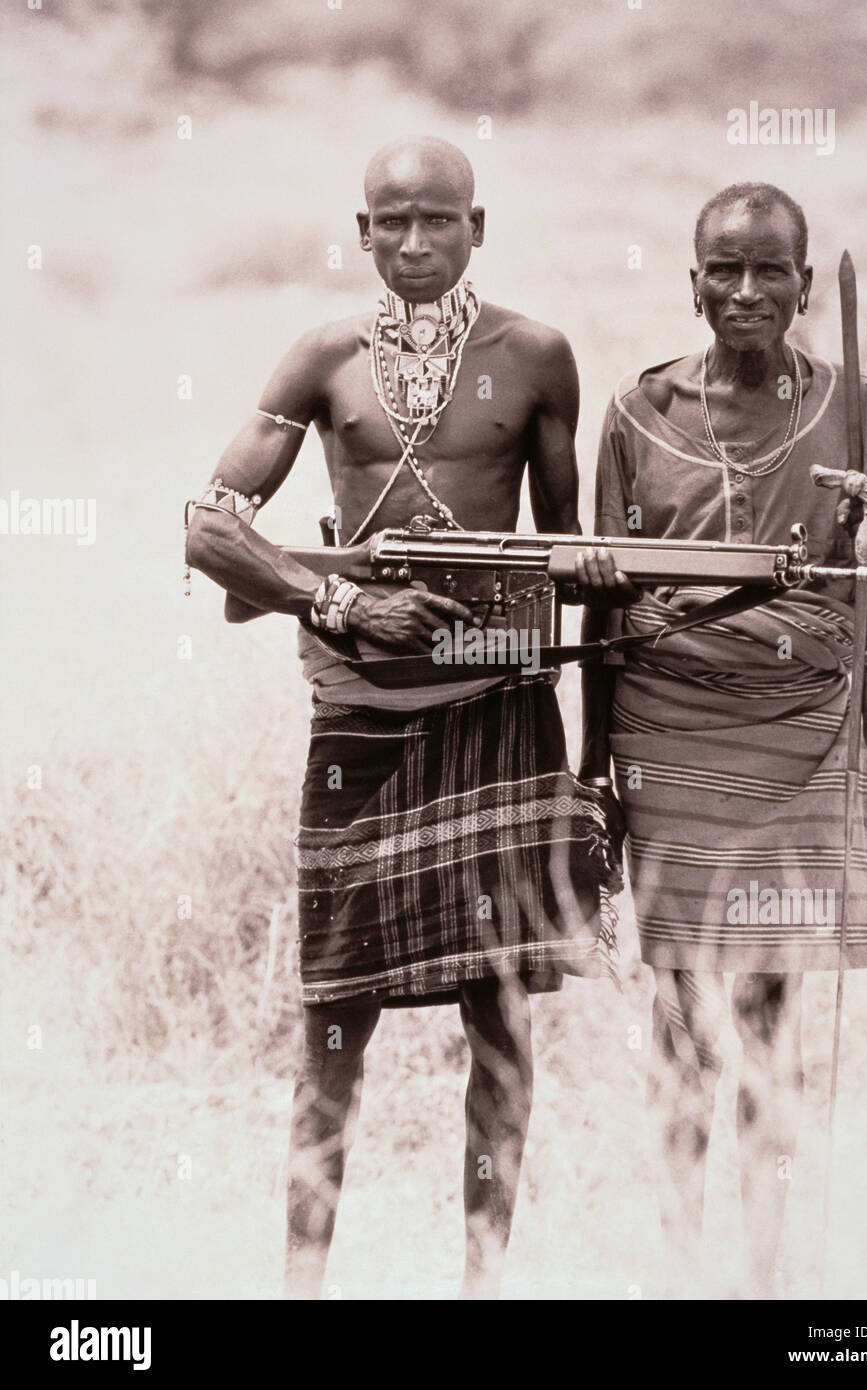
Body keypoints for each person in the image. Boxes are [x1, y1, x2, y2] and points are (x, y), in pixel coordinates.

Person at [185, 137, 627, 1299]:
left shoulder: (537, 357)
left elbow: (557, 558)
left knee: (501, 1026)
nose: (416, 242)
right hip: (361, 724)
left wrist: (597, 747)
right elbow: (209, 529)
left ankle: (482, 1284)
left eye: (439, 220)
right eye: (394, 223)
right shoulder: (322, 358)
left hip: (499, 708)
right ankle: (300, 1288)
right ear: (363, 231)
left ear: (477, 228)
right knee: (333, 1030)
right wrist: (341, 598)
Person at [577, 182, 867, 1296]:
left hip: (795, 744)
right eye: (723, 270)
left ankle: (770, 1275)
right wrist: (595, 773)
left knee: (771, 1005)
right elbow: (603, 610)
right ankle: (680, 1263)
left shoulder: (853, 407)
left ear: (800, 284)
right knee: (682, 1006)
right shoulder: (637, 417)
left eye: (769, 270)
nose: (745, 292)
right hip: (668, 732)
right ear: (691, 284)